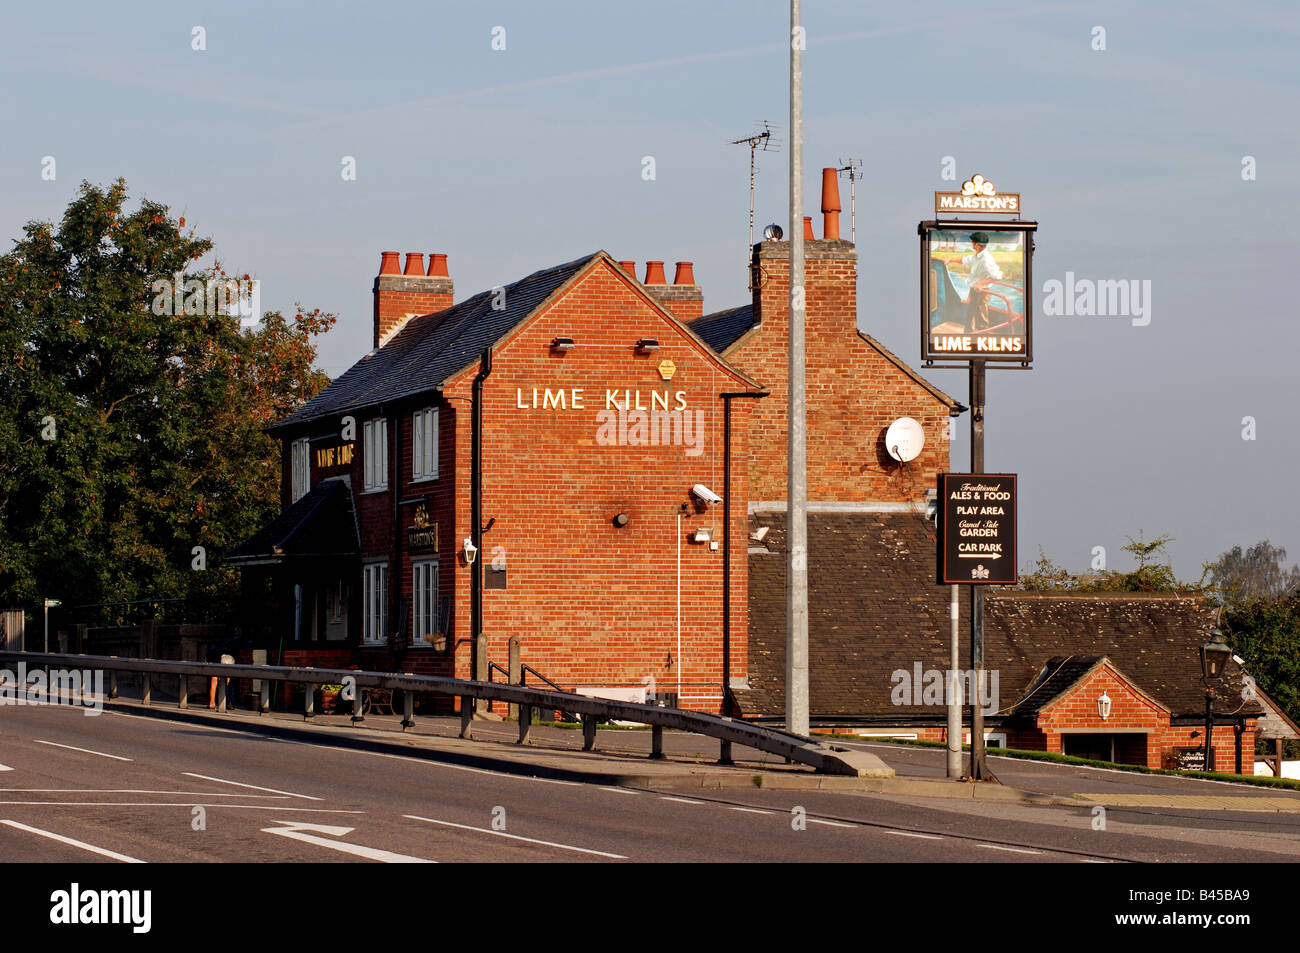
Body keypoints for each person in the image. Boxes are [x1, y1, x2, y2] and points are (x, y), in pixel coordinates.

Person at [948, 231, 1002, 331]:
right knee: (971, 313)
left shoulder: (986, 259)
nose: (971, 243)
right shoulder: (977, 256)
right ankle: (968, 334)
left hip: (983, 292)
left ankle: (983, 336)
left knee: (981, 315)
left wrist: (980, 283)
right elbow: (965, 260)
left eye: (972, 242)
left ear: (977, 245)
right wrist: (950, 260)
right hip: (974, 290)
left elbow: (997, 276)